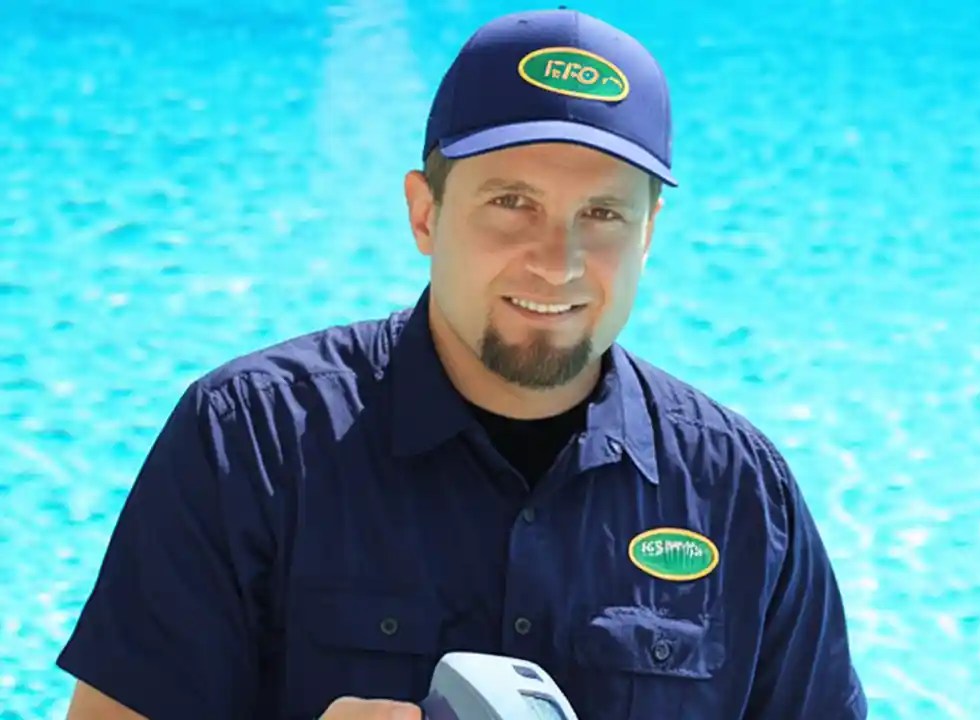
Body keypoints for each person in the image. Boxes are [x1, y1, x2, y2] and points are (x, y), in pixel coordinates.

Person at [57, 7, 868, 720]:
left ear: (648, 233)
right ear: (424, 211)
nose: (559, 260)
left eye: (603, 212)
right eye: (511, 203)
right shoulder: (249, 443)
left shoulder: (740, 493)